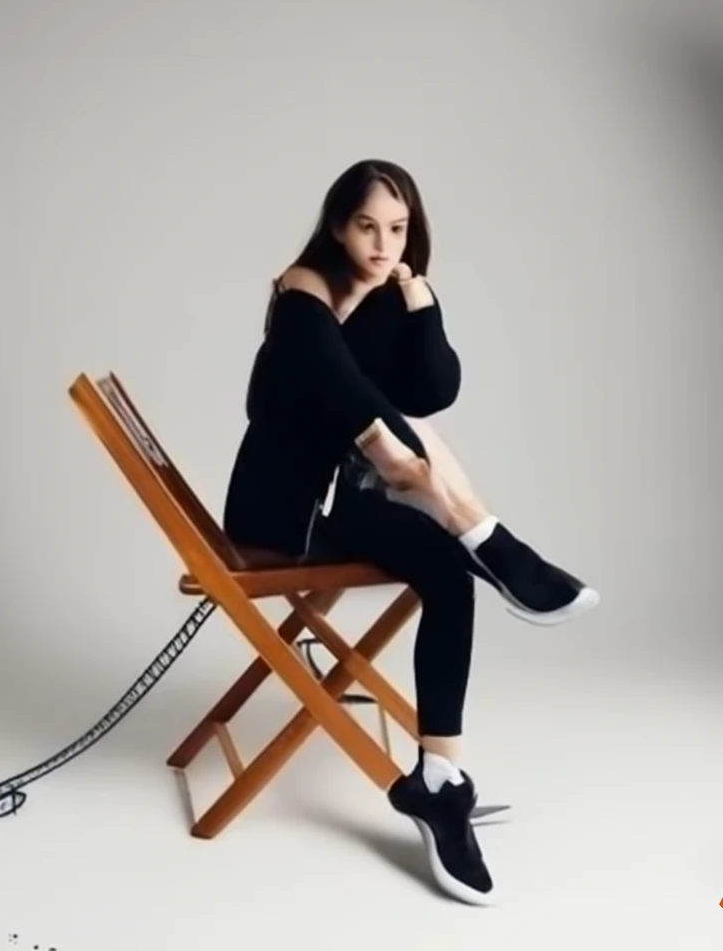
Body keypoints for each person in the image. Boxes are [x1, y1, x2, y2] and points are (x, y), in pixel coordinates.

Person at [223, 158, 600, 906]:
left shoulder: (388, 298)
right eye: (367, 226)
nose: (382, 244)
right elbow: (343, 391)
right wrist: (393, 453)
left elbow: (435, 388)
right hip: (284, 511)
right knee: (409, 441)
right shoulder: (301, 295)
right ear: (337, 227)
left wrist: (422, 304)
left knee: (447, 575)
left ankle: (438, 778)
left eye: (397, 229)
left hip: (346, 501)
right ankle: (495, 544)